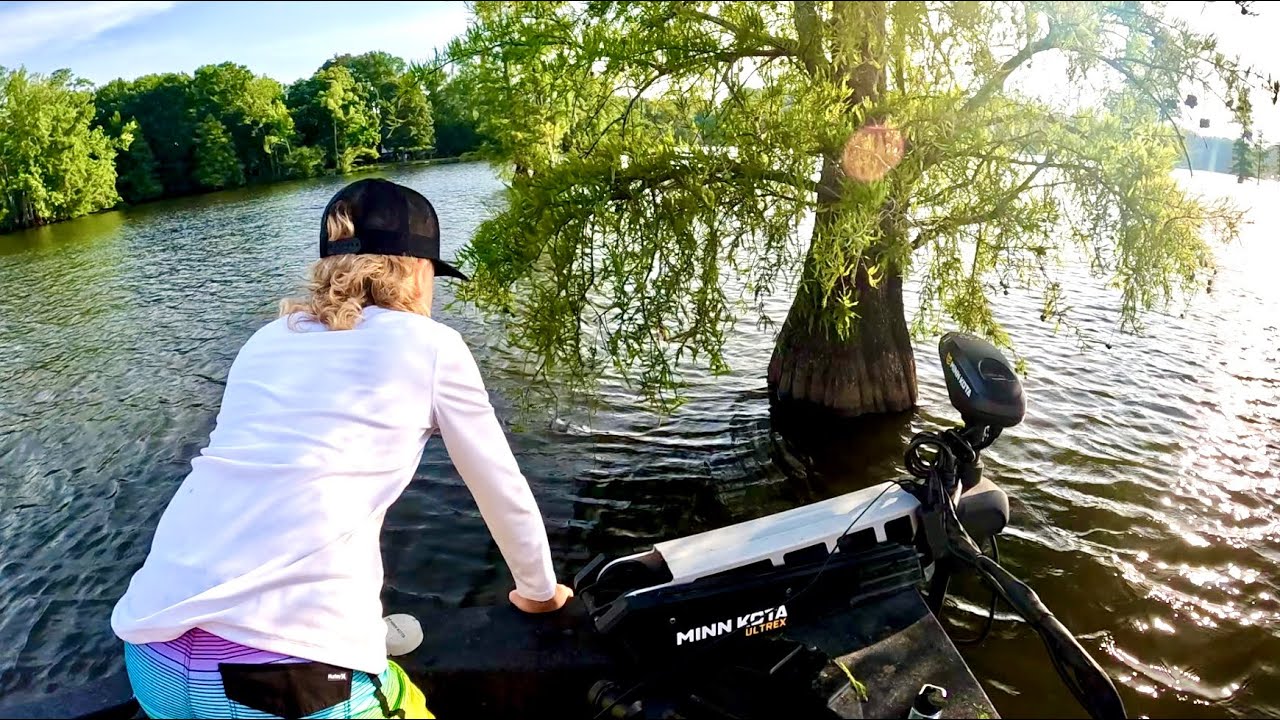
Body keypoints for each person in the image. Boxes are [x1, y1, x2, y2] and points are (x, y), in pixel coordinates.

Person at [110, 178, 574, 719]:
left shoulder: (267, 338)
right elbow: (500, 488)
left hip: (153, 656)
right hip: (284, 680)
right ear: (417, 270)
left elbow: (273, 479)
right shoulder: (431, 346)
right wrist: (539, 592)